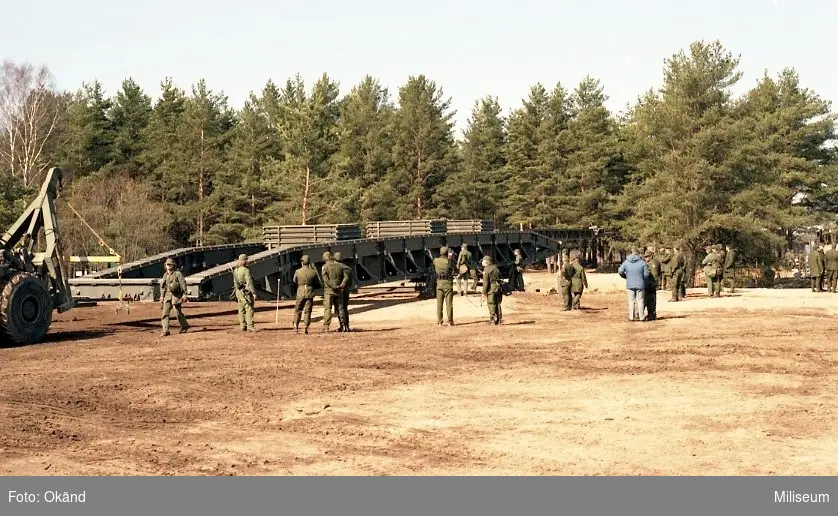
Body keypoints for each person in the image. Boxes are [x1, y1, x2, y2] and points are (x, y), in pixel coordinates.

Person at [618, 247, 650, 321]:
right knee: (640, 301)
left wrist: (626, 277)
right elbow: (646, 274)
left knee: (631, 301)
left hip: (630, 284)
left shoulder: (626, 262)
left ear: (631, 252)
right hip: (640, 284)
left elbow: (620, 271)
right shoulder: (642, 262)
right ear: (638, 253)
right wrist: (642, 279)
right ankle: (641, 317)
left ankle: (631, 317)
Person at [160, 257, 189, 336]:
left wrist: (184, 294)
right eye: (167, 264)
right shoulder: (165, 275)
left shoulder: (178, 274)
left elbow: (183, 284)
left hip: (176, 296)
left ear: (173, 265)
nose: (168, 266)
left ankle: (184, 326)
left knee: (177, 313)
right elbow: (163, 287)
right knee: (165, 314)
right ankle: (165, 330)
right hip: (167, 296)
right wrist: (162, 296)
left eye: (170, 264)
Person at [321, 251, 348, 332]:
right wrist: (341, 286)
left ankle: (326, 327)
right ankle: (344, 325)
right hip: (339, 291)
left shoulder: (325, 267)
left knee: (328, 309)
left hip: (329, 291)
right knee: (341, 308)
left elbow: (325, 280)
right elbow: (346, 277)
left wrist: (333, 286)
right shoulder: (340, 266)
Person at [292, 255, 319, 334]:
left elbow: (294, 280)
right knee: (308, 311)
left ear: (302, 262)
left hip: (300, 292)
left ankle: (296, 327)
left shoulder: (297, 271)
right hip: (309, 292)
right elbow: (317, 282)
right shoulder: (313, 272)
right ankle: (305, 327)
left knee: (298, 310)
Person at [233, 254, 257, 332]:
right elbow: (249, 282)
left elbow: (235, 282)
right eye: (246, 260)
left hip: (238, 292)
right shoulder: (246, 270)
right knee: (249, 308)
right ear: (244, 261)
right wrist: (253, 293)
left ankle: (243, 325)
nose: (247, 261)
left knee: (241, 309)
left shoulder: (235, 270)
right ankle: (250, 326)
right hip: (245, 292)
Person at [433, 246, 455, 326]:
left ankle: (439, 321)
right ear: (447, 253)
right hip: (448, 284)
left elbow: (434, 262)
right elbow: (454, 267)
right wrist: (451, 255)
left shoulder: (436, 260)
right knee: (449, 304)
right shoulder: (449, 262)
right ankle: (450, 321)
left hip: (439, 284)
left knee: (439, 304)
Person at [333, 251, 352, 332]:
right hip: (346, 290)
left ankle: (343, 326)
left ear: (334, 259)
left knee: (340, 308)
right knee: (345, 308)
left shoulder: (335, 268)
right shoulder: (348, 268)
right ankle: (347, 326)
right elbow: (350, 282)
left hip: (338, 290)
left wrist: (339, 287)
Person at [481, 255, 503, 325]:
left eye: (483, 261)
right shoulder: (495, 268)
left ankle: (493, 319)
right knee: (498, 303)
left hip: (491, 288)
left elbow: (486, 282)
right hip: (498, 287)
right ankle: (499, 320)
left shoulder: (486, 270)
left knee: (491, 303)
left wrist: (483, 292)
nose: (482, 262)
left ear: (486, 262)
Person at [643, 250, 661, 321]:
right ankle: (651, 313)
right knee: (649, 299)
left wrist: (653, 283)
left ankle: (652, 314)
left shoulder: (653, 263)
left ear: (650, 256)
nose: (645, 258)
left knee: (651, 300)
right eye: (645, 257)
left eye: (647, 257)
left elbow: (655, 274)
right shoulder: (650, 262)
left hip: (651, 284)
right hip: (650, 283)